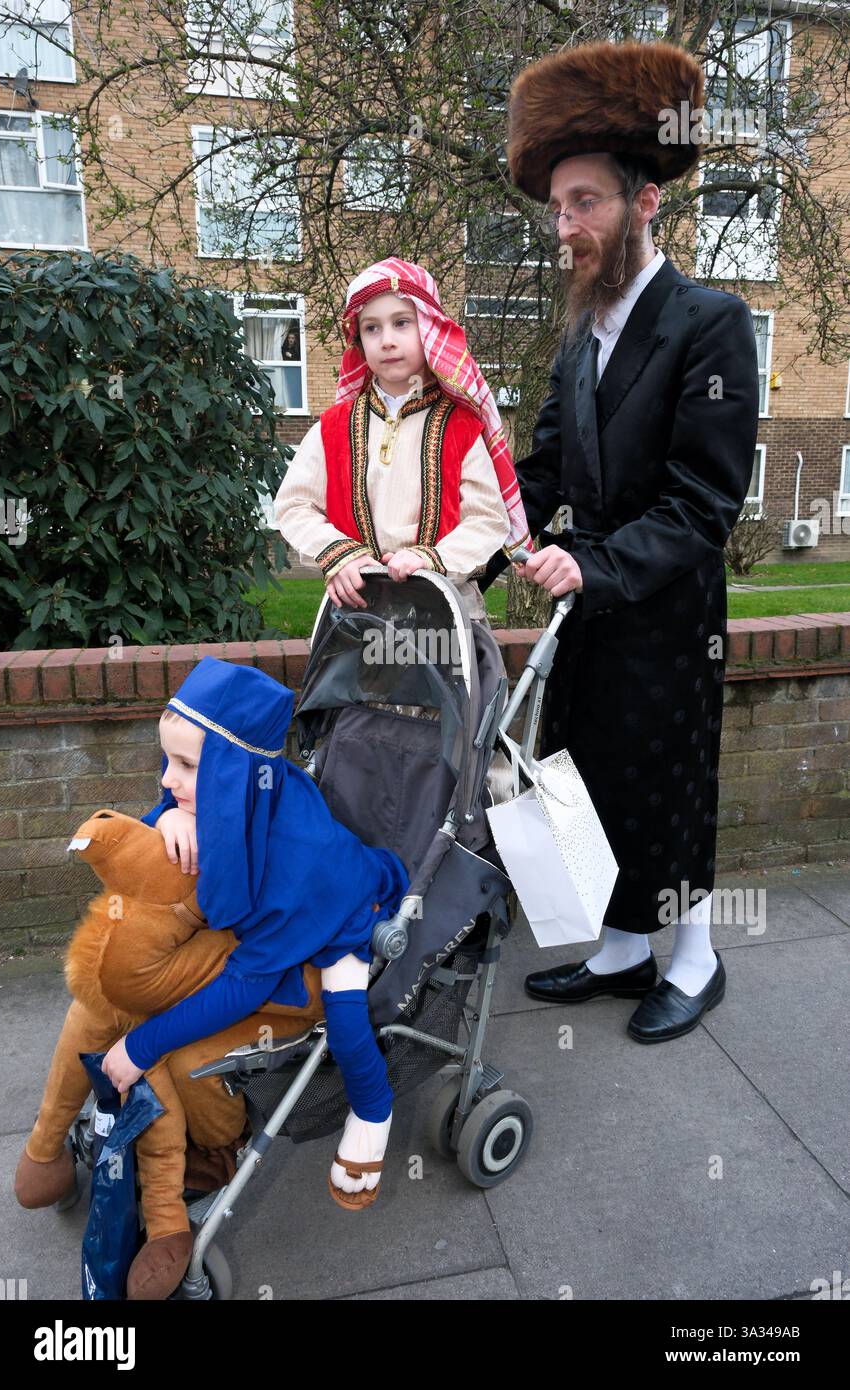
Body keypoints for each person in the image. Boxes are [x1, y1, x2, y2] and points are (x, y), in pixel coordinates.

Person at [480, 40, 761, 1042]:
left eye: (584, 202)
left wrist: (592, 562)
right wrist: (470, 540)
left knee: (663, 785)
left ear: (644, 202)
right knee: (583, 778)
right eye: (557, 207)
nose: (566, 226)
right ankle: (619, 946)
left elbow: (701, 501)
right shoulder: (577, 338)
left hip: (667, 607)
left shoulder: (710, 323)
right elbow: (543, 472)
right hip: (585, 607)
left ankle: (694, 957)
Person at [101, 656, 410, 1247]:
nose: (168, 778)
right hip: (285, 903)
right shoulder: (234, 790)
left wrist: (143, 1045)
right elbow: (148, 840)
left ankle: (374, 1112)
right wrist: (166, 818)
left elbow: (247, 984)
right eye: (167, 761)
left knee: (347, 1024)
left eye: (186, 766)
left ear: (231, 773)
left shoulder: (294, 858)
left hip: (345, 912)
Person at [273, 255, 533, 630]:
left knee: (447, 691)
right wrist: (339, 555)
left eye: (401, 323)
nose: (388, 340)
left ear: (428, 327)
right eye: (372, 328)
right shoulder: (334, 427)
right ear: (359, 340)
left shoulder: (461, 426)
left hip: (447, 615)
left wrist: (432, 558)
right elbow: (295, 504)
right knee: (358, 692)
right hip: (356, 616)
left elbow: (487, 518)